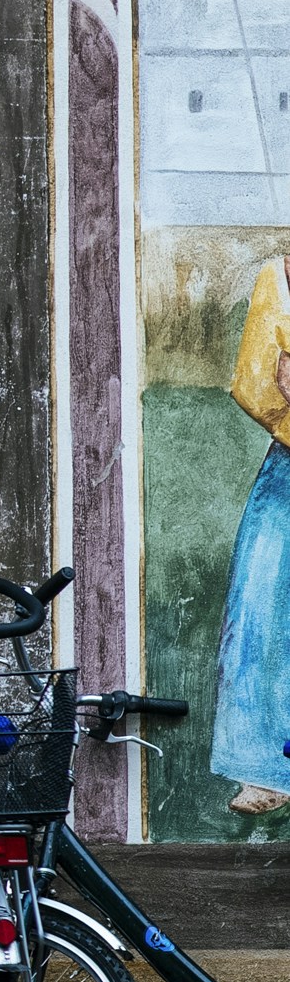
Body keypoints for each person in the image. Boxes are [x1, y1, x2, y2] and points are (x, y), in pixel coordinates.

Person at [215, 251, 290, 818]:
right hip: (288, 467)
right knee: (264, 606)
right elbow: (258, 381)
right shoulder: (280, 277)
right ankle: (265, 768)